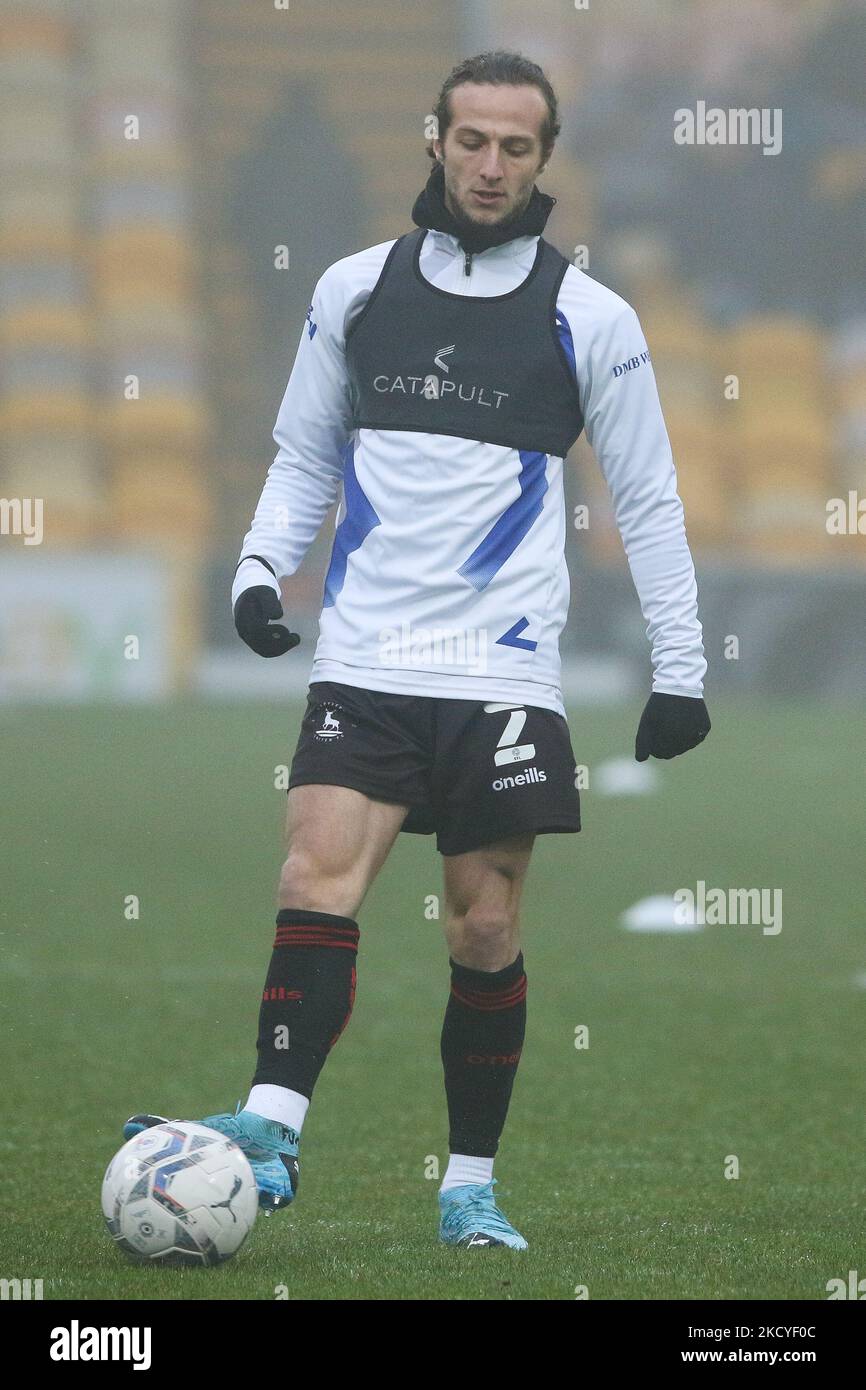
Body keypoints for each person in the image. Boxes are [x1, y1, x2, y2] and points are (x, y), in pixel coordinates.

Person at [127, 50, 710, 1250]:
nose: (489, 165)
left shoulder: (586, 318)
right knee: (312, 874)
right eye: (471, 140)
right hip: (367, 659)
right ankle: (271, 1127)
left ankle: (467, 1185)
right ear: (432, 139)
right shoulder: (351, 289)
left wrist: (681, 667)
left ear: (544, 161)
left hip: (497, 672)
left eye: (515, 147)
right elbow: (301, 454)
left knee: (481, 927)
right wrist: (253, 571)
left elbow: (646, 501)